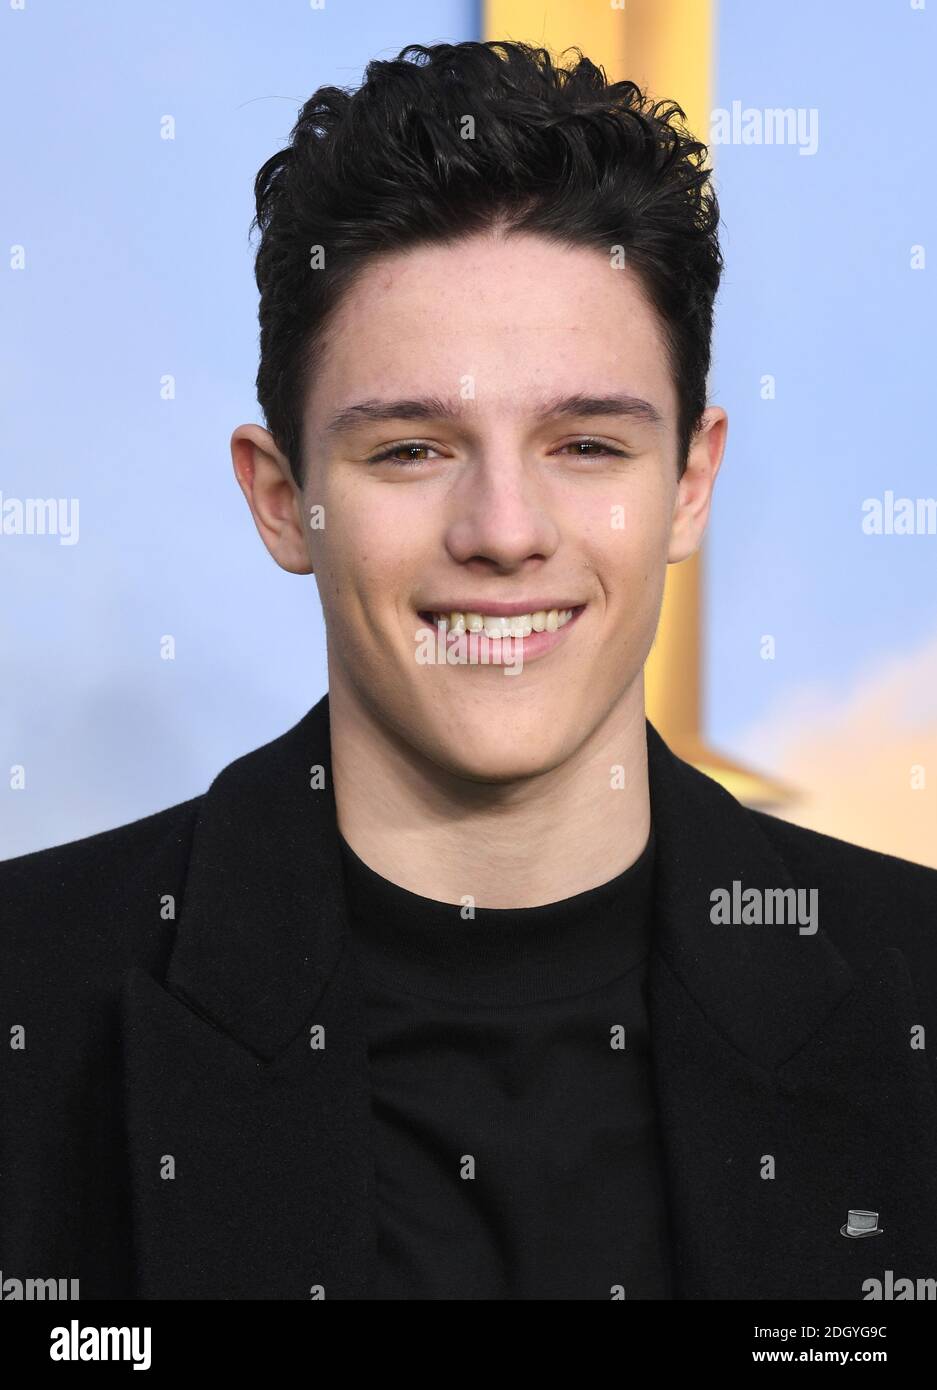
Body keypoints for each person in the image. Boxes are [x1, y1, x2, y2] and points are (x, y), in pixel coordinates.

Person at [2, 40, 936, 1302]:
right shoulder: (30, 991)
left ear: (690, 485)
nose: (503, 529)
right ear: (282, 502)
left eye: (587, 443)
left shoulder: (907, 981)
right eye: (409, 451)